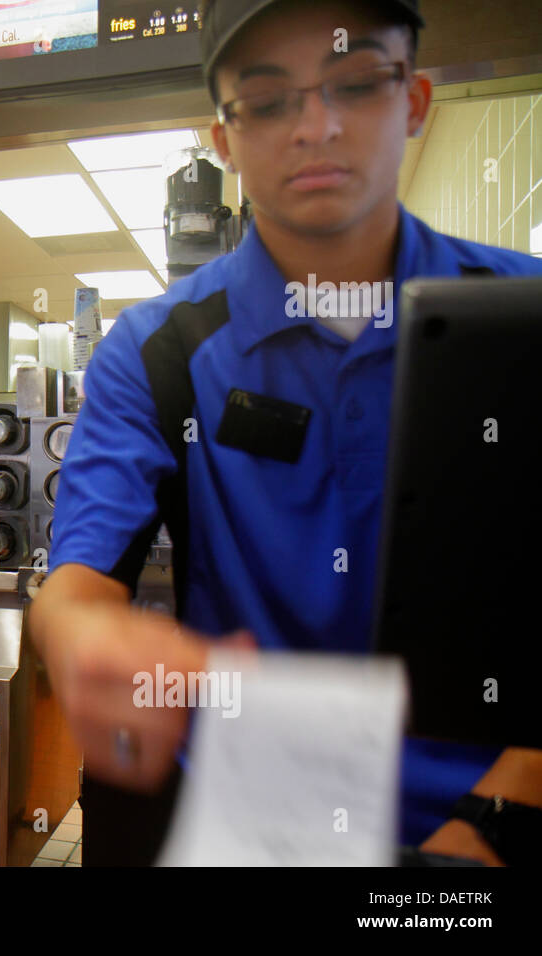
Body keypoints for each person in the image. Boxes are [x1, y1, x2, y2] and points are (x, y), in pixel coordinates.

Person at [30, 0, 542, 865]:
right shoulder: (161, 348)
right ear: (224, 140)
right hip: (256, 818)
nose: (316, 126)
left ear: (413, 101)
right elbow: (76, 587)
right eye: (267, 100)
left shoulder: (520, 318)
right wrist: (82, 638)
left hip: (489, 806)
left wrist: (501, 814)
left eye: (354, 84)